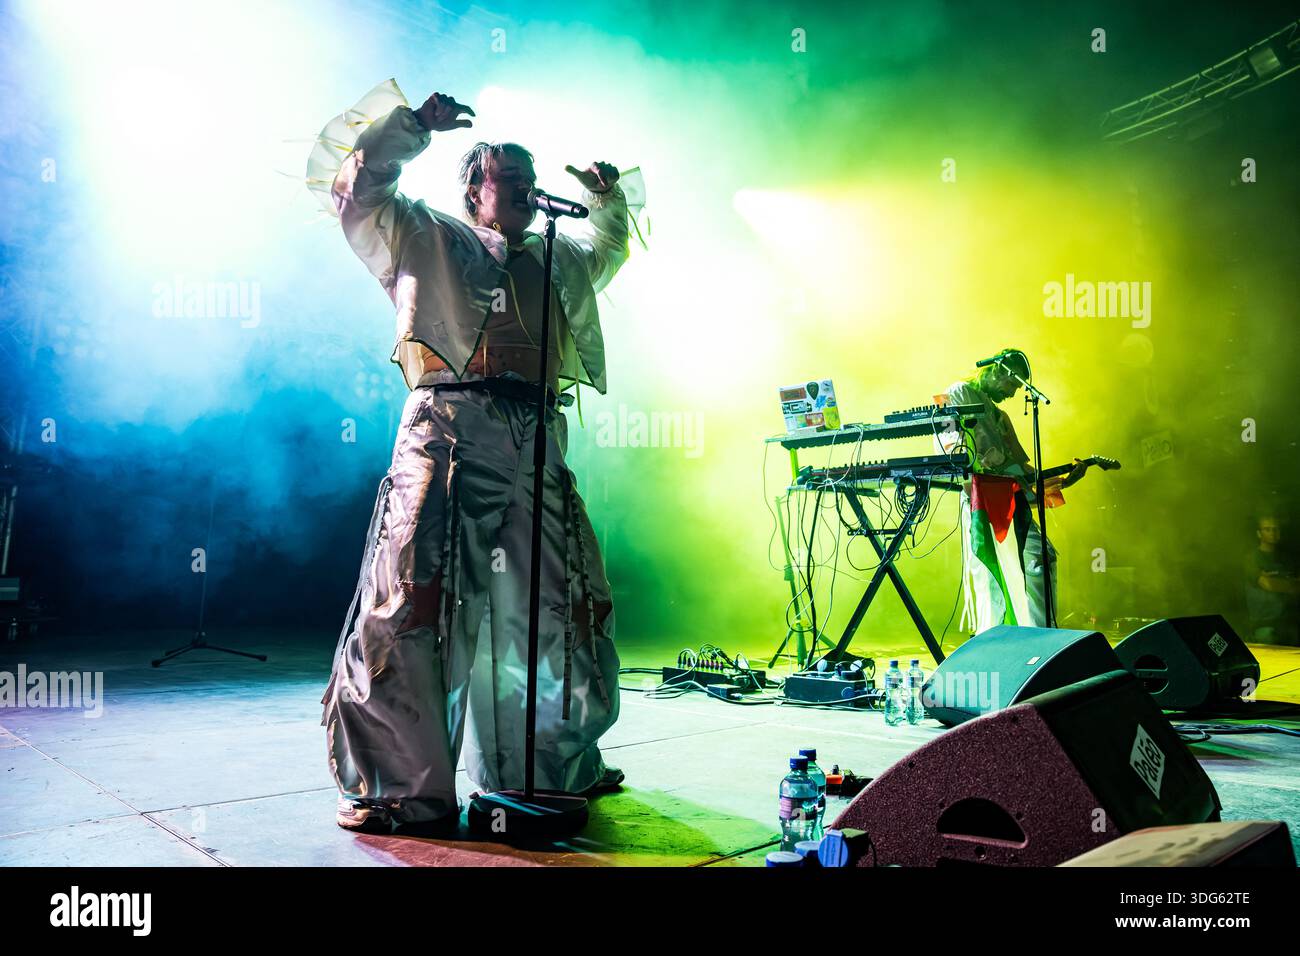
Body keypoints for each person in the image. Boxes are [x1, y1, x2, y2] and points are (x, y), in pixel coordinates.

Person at [306, 79, 631, 833]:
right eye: (505, 176)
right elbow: (358, 192)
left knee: (552, 603)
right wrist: (411, 127)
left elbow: (608, 245)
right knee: (419, 595)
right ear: (473, 190)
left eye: (528, 177)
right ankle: (401, 787)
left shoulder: (556, 257)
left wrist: (607, 200)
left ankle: (542, 769)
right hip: (450, 427)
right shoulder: (428, 235)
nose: (521, 186)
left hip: (536, 436)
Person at [939, 350, 1088, 633]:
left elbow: (1023, 470)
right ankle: (994, 638)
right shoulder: (959, 392)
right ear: (997, 371)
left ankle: (1041, 634)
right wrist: (985, 469)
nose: (1012, 393)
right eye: (1012, 384)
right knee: (991, 575)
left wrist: (1065, 480)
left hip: (1009, 499)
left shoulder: (1001, 416)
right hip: (982, 498)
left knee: (1041, 556)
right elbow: (953, 445)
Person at [1244, 514, 1300, 645]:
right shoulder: (1251, 558)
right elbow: (1267, 584)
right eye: (1267, 529)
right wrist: (1291, 586)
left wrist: (1279, 584)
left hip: (1289, 624)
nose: (1272, 533)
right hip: (1264, 625)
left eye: (1275, 529)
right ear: (1259, 533)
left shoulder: (1288, 559)